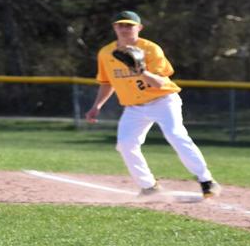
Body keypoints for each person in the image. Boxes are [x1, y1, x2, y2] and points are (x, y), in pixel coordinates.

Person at [84, 11, 219, 198]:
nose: (124, 28)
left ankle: (206, 180)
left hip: (163, 101)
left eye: (129, 25)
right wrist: (96, 106)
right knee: (125, 144)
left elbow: (160, 83)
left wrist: (140, 70)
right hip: (133, 107)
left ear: (139, 28)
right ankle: (149, 186)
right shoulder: (106, 53)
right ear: (114, 27)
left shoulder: (150, 49)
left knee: (175, 135)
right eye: (120, 25)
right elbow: (107, 82)